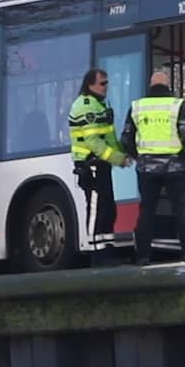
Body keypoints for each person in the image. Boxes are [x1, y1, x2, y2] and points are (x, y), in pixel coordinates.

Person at [120, 70, 185, 264]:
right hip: (175, 168)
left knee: (147, 210)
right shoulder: (177, 105)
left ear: (150, 85)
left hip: (147, 169)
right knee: (182, 208)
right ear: (168, 85)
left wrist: (139, 157)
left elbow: (126, 139)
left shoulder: (137, 107)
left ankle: (143, 256)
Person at [69, 69, 130, 245]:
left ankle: (106, 249)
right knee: (97, 210)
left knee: (108, 209)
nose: (106, 86)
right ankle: (96, 251)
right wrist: (118, 158)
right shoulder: (86, 106)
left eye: (107, 82)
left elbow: (109, 138)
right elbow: (93, 142)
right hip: (91, 164)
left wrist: (122, 154)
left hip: (101, 164)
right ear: (90, 85)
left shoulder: (98, 104)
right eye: (102, 83)